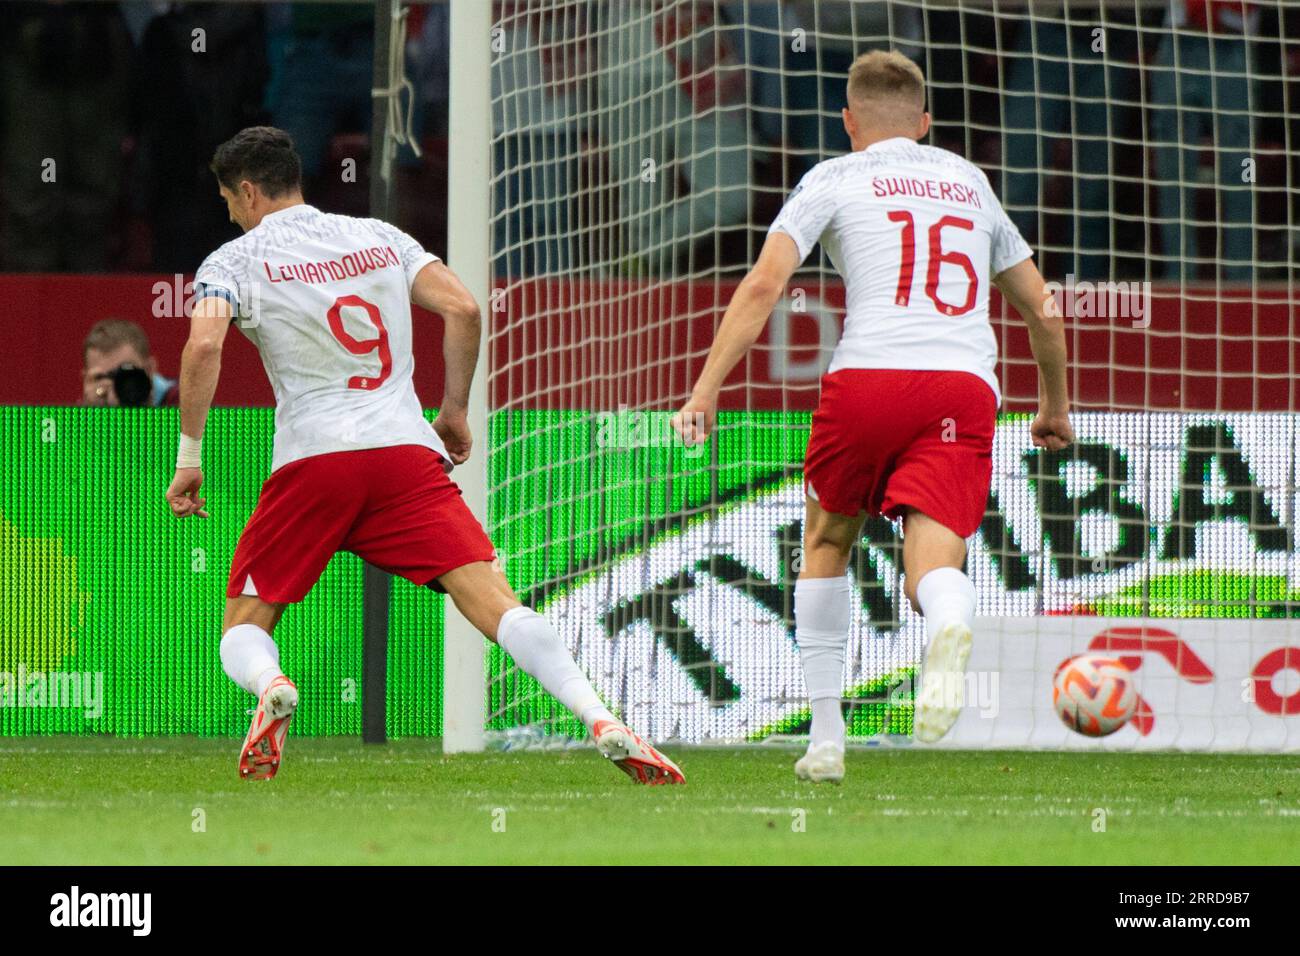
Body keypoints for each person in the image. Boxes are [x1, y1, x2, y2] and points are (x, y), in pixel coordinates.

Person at [165, 126, 683, 785]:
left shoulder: (234, 262)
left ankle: (272, 686)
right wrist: (455, 410)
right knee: (493, 599)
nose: (232, 216)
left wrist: (189, 457)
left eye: (229, 203)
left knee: (244, 621)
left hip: (315, 460)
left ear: (245, 192)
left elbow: (204, 347)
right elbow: (465, 307)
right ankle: (599, 717)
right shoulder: (380, 237)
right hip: (404, 455)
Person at [674, 52, 1073, 783]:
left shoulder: (834, 175)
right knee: (935, 554)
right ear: (925, 124)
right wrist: (1053, 406)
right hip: (960, 388)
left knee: (826, 539)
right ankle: (948, 619)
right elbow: (1044, 310)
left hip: (867, 379)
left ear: (849, 121)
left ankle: (826, 739)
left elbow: (765, 284)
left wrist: (706, 388)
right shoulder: (971, 182)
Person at [81, 319, 178, 407]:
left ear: (150, 369)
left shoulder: (180, 400)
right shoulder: (78, 417)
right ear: (86, 380)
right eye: (100, 377)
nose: (116, 385)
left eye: (126, 374)